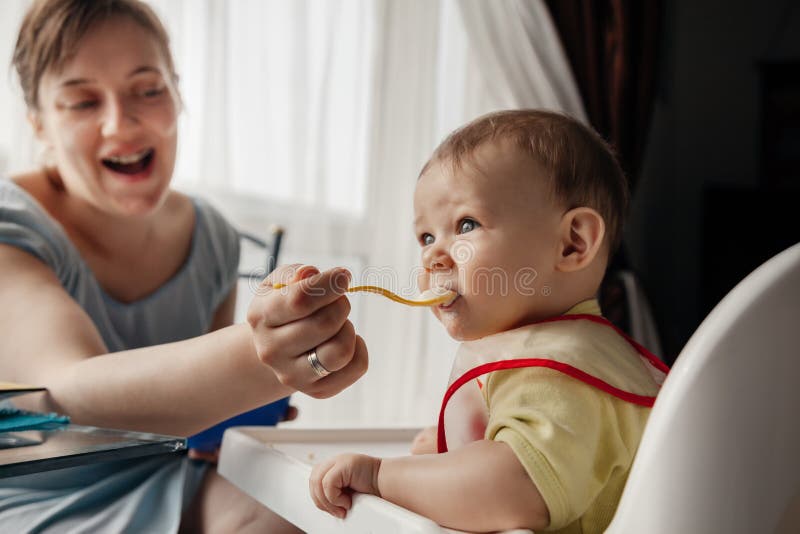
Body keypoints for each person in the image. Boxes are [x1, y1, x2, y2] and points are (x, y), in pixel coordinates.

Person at [0, 1, 367, 532]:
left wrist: (228, 423)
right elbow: (64, 391)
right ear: (38, 124)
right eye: (82, 102)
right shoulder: (12, 226)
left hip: (165, 477)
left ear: (177, 95)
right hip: (26, 499)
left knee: (303, 519)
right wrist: (260, 359)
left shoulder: (212, 238)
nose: (119, 124)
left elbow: (199, 422)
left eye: (148, 90)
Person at [309, 109, 670, 533]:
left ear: (573, 244)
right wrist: (447, 458)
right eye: (426, 236)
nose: (432, 255)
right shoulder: (568, 350)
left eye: (466, 224)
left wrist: (382, 477)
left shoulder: (561, 371)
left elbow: (513, 487)